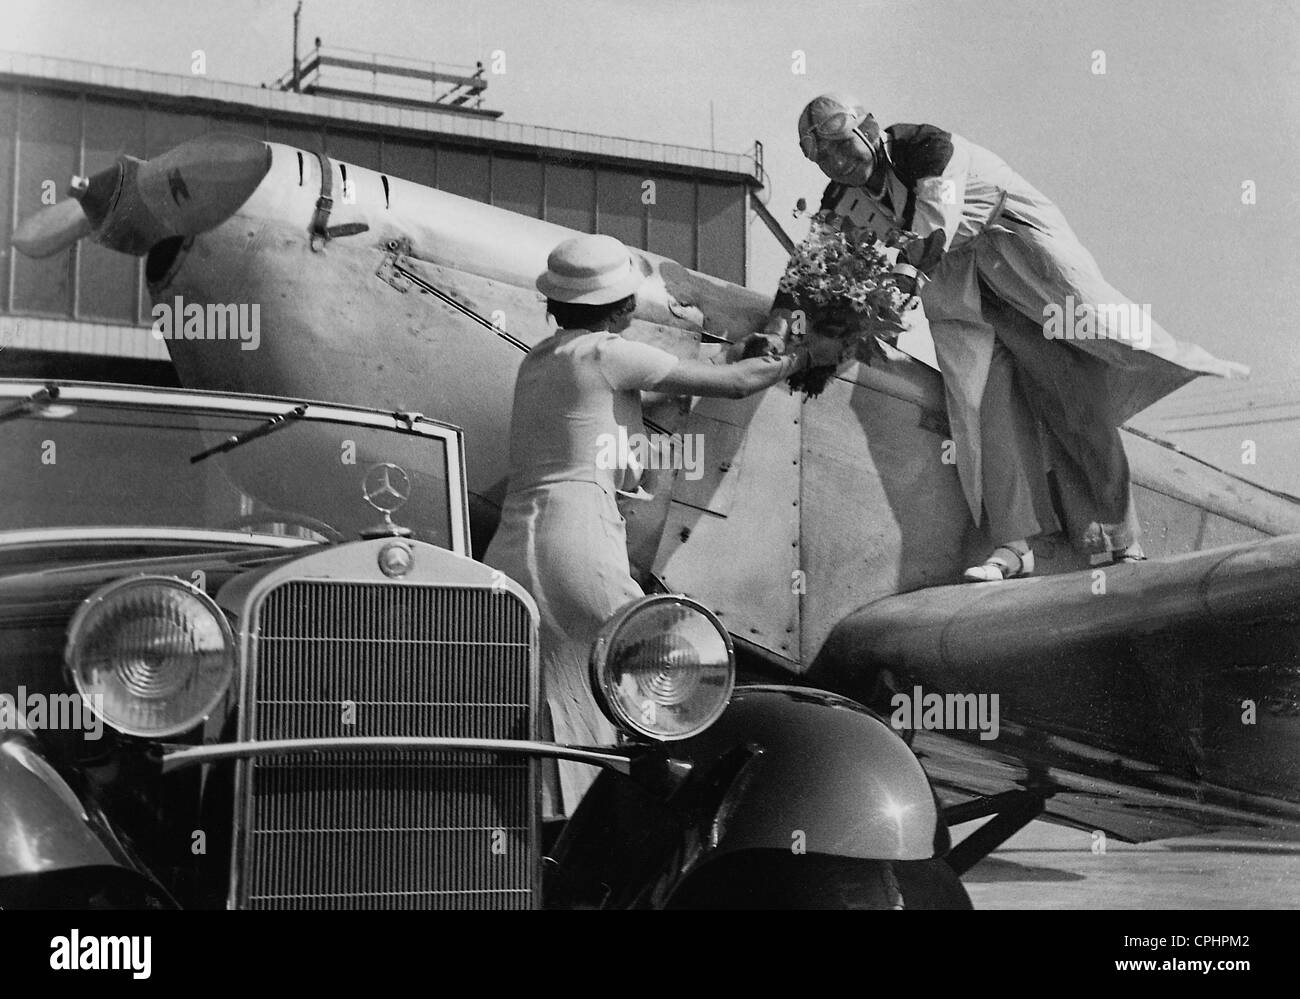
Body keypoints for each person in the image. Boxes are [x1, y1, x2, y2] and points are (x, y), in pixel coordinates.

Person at [773, 93, 1247, 581]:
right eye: (821, 157)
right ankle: (1014, 546)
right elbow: (810, 270)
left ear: (867, 130)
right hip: (961, 294)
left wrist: (902, 280)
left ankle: (1117, 541)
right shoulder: (842, 199)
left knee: (1070, 395)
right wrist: (777, 325)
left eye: (840, 146)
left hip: (1020, 262)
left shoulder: (924, 148)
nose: (837, 162)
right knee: (981, 412)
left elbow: (935, 223)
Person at [484, 233, 827, 816]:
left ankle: (544, 851)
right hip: (578, 539)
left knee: (554, 711)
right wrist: (809, 353)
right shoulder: (607, 354)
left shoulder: (542, 360)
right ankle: (656, 838)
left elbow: (670, 386)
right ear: (621, 309)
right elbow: (738, 384)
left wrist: (738, 349)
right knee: (645, 686)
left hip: (513, 551)